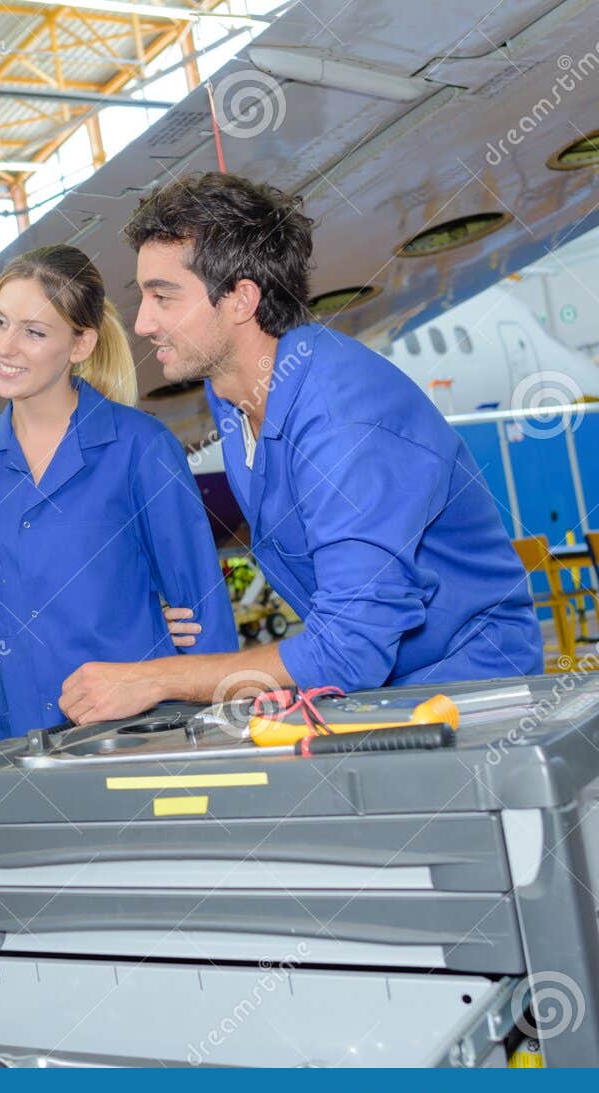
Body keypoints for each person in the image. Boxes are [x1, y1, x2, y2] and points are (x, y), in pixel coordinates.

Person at [59, 172, 541, 724]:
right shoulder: (233, 394)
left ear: (241, 299)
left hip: (471, 692)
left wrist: (156, 680)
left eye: (163, 297)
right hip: (377, 687)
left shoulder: (344, 422)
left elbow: (348, 648)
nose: (143, 322)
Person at [0, 244, 235, 740]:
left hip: (135, 738)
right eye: (0, 322)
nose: (6, 347)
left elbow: (202, 615)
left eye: (34, 332)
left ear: (80, 346)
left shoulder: (141, 447)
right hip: (19, 742)